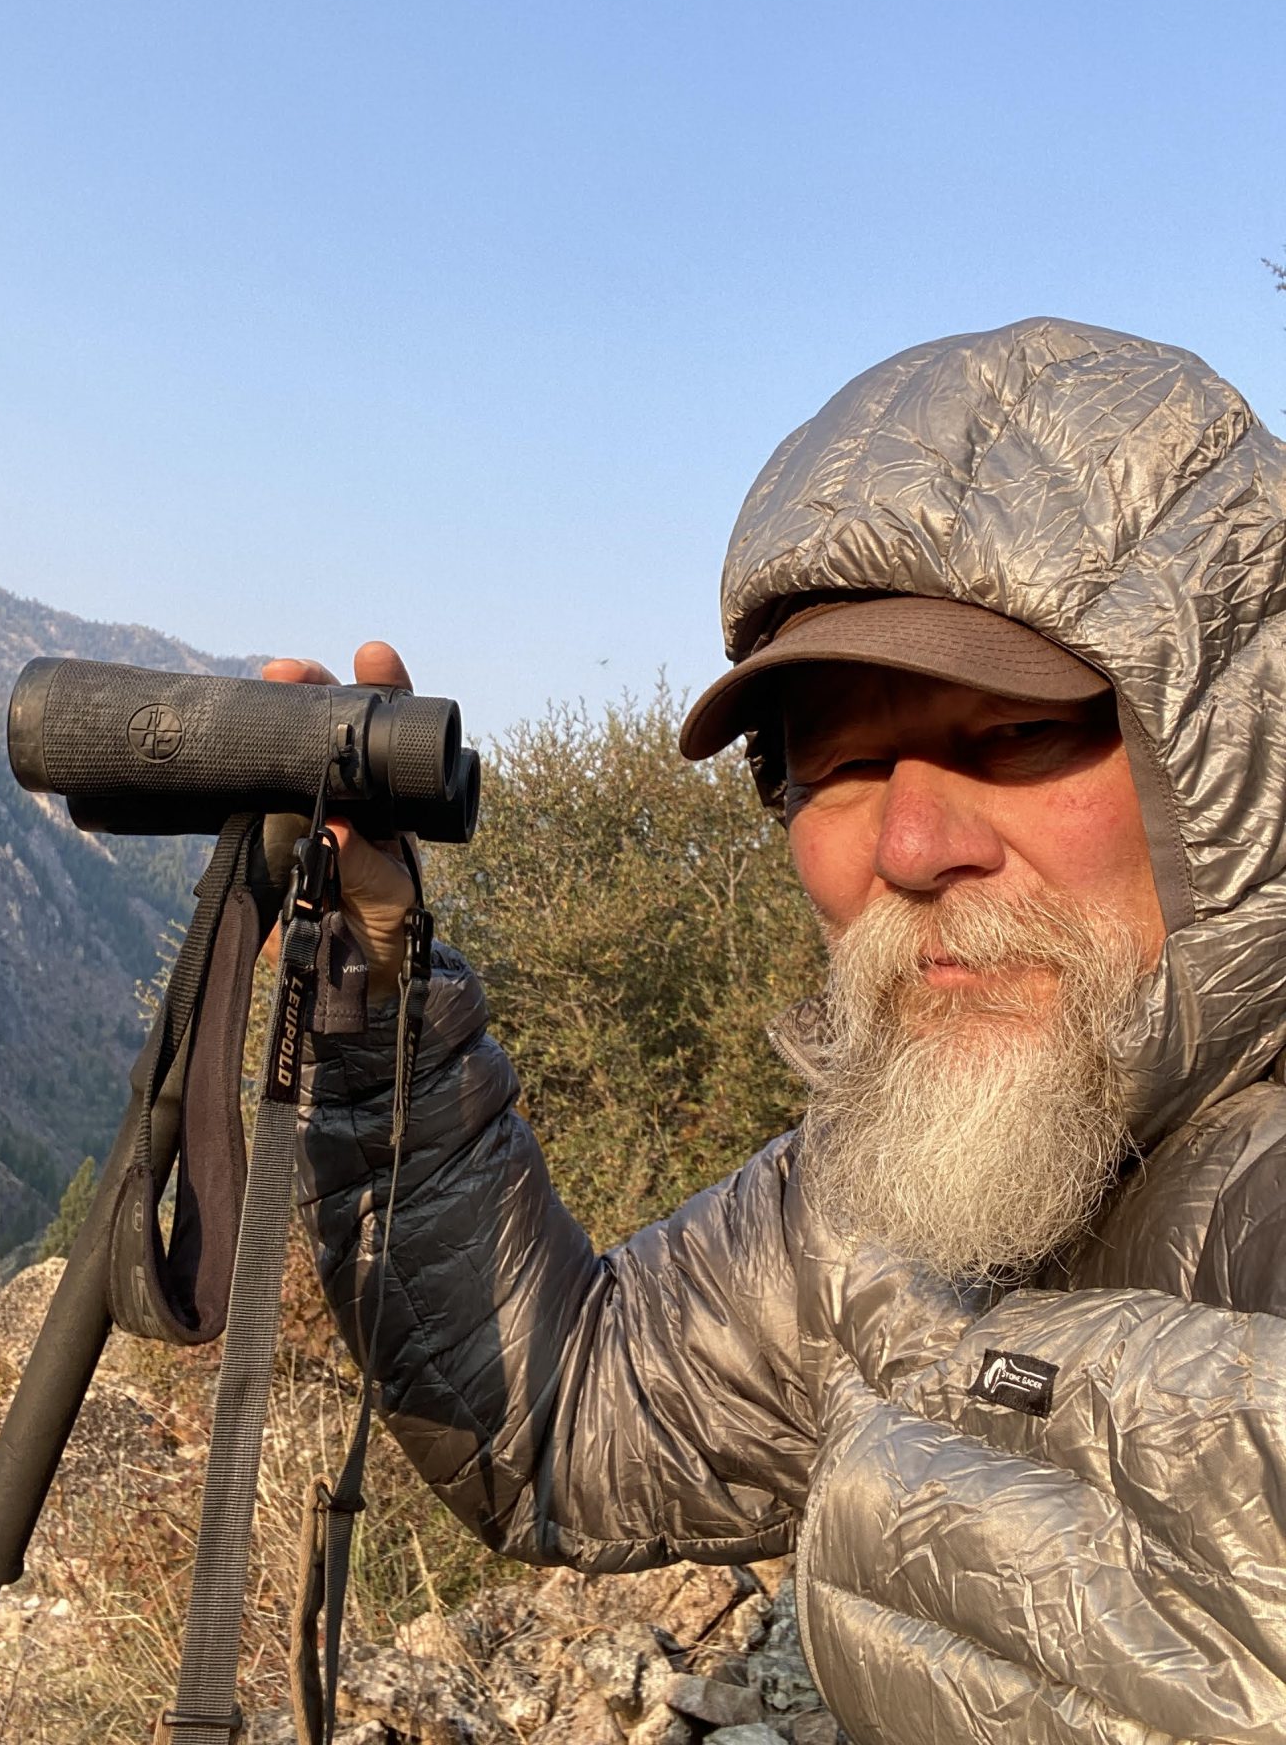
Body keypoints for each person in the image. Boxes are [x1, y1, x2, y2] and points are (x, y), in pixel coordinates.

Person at [267, 317, 1286, 1744]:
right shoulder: (886, 1197)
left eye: (1015, 735)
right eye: (847, 764)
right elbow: (566, 1409)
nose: (913, 846)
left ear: (1227, 746)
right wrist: (378, 995)